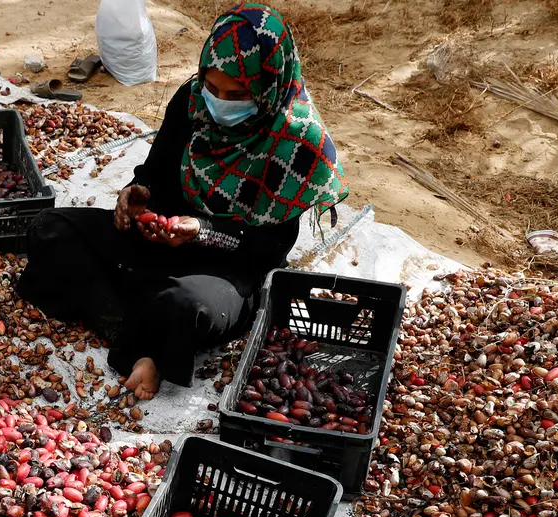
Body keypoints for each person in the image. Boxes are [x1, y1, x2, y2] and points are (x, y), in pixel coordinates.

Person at [18, 2, 347, 401]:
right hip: (161, 241)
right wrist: (137, 195)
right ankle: (142, 339)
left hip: (228, 268)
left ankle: (141, 329)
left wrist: (202, 233)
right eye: (212, 87)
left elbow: (267, 248)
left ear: (269, 87)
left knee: (188, 307)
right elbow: (155, 170)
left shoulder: (296, 144)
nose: (219, 102)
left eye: (237, 94)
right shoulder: (193, 101)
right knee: (50, 229)